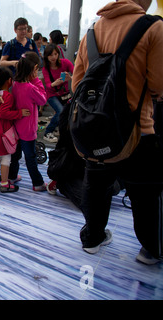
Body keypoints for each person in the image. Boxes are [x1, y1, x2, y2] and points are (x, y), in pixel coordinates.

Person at [72, 0, 163, 264]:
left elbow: (77, 83)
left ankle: (92, 238)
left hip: (94, 129)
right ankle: (150, 250)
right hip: (138, 130)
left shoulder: (93, 31)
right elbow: (158, 84)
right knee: (145, 193)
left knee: (96, 186)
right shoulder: (153, 28)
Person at [8, 52, 48, 191]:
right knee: (31, 157)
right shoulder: (31, 88)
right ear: (35, 68)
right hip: (28, 130)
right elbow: (43, 99)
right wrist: (37, 80)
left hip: (15, 127)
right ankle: (38, 183)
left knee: (15, 155)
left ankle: (11, 176)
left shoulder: (15, 84)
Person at [0, 66, 30, 193]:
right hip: (4, 130)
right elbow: (4, 113)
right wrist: (19, 113)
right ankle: (4, 183)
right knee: (6, 157)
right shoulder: (8, 96)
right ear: (9, 81)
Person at [42, 43, 74, 143]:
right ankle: (48, 131)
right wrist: (55, 83)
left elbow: (77, 73)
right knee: (60, 111)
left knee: (68, 112)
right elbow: (48, 85)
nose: (53, 57)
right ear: (46, 56)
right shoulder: (45, 69)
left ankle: (58, 128)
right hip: (51, 95)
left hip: (64, 94)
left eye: (55, 54)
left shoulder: (65, 63)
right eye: (51, 55)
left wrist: (71, 78)